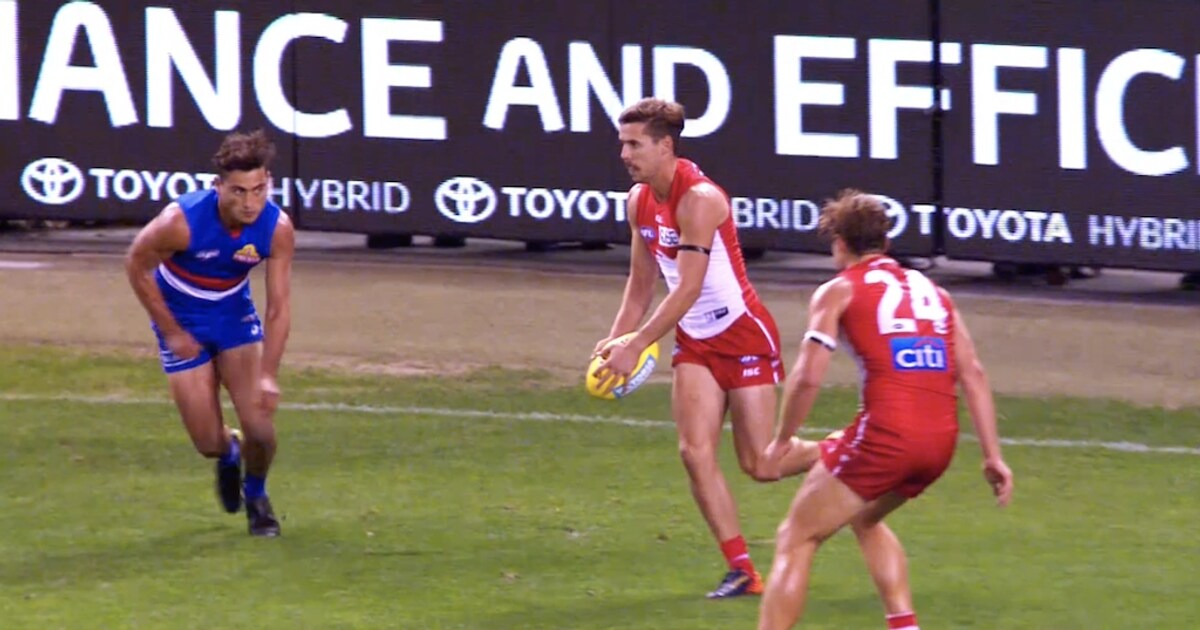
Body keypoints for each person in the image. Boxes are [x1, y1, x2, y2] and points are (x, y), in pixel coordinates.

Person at [591, 98, 821, 598]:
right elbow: (640, 284)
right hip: (694, 340)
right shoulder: (638, 202)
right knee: (694, 454)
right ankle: (742, 570)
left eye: (635, 144)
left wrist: (639, 346)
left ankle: (841, 451)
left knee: (760, 464)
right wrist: (616, 340)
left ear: (665, 145)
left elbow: (689, 286)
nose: (625, 154)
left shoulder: (701, 199)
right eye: (622, 144)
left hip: (742, 334)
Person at [756, 190, 1014, 629]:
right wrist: (992, 456)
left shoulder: (838, 291)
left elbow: (808, 376)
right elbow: (972, 372)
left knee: (796, 538)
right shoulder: (934, 293)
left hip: (887, 437)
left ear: (839, 243)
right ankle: (904, 624)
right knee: (865, 517)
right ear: (885, 242)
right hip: (938, 444)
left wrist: (781, 440)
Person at [125, 130, 295, 537]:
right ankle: (228, 450)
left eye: (258, 190)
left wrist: (269, 373)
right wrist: (171, 330)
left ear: (268, 182)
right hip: (182, 320)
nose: (250, 202)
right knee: (207, 443)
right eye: (238, 191)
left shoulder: (277, 228)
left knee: (260, 425)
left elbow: (278, 306)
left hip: (233, 318)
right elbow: (135, 264)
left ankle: (256, 494)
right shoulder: (179, 222)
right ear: (217, 186)